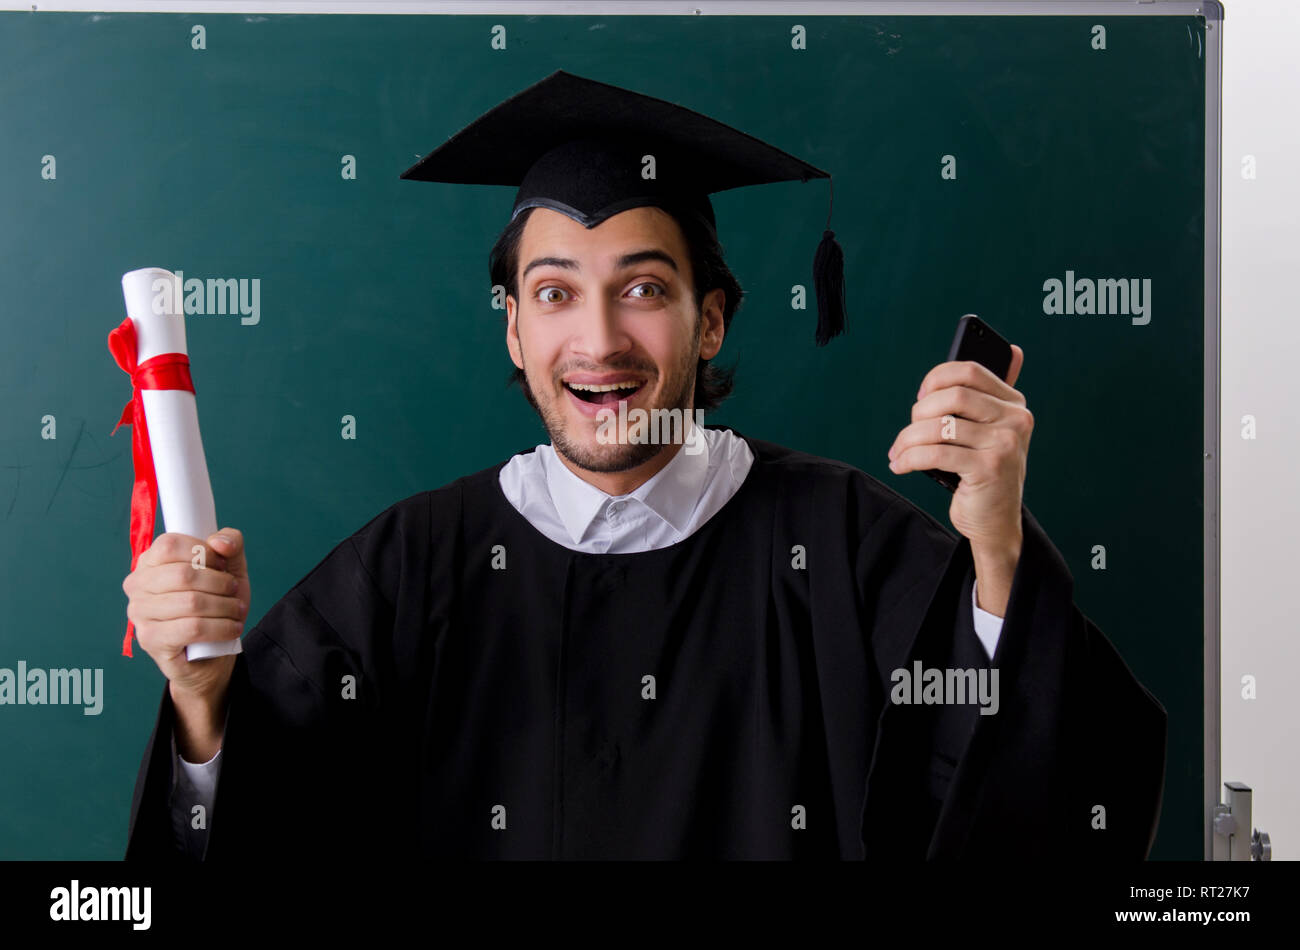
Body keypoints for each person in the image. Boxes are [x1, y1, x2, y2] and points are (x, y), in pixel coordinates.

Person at [122, 70, 1166, 862]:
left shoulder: (841, 542)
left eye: (644, 288)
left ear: (710, 321)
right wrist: (206, 710)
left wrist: (996, 551)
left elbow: (1032, 810)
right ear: (513, 334)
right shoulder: (409, 569)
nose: (599, 342)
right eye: (554, 292)